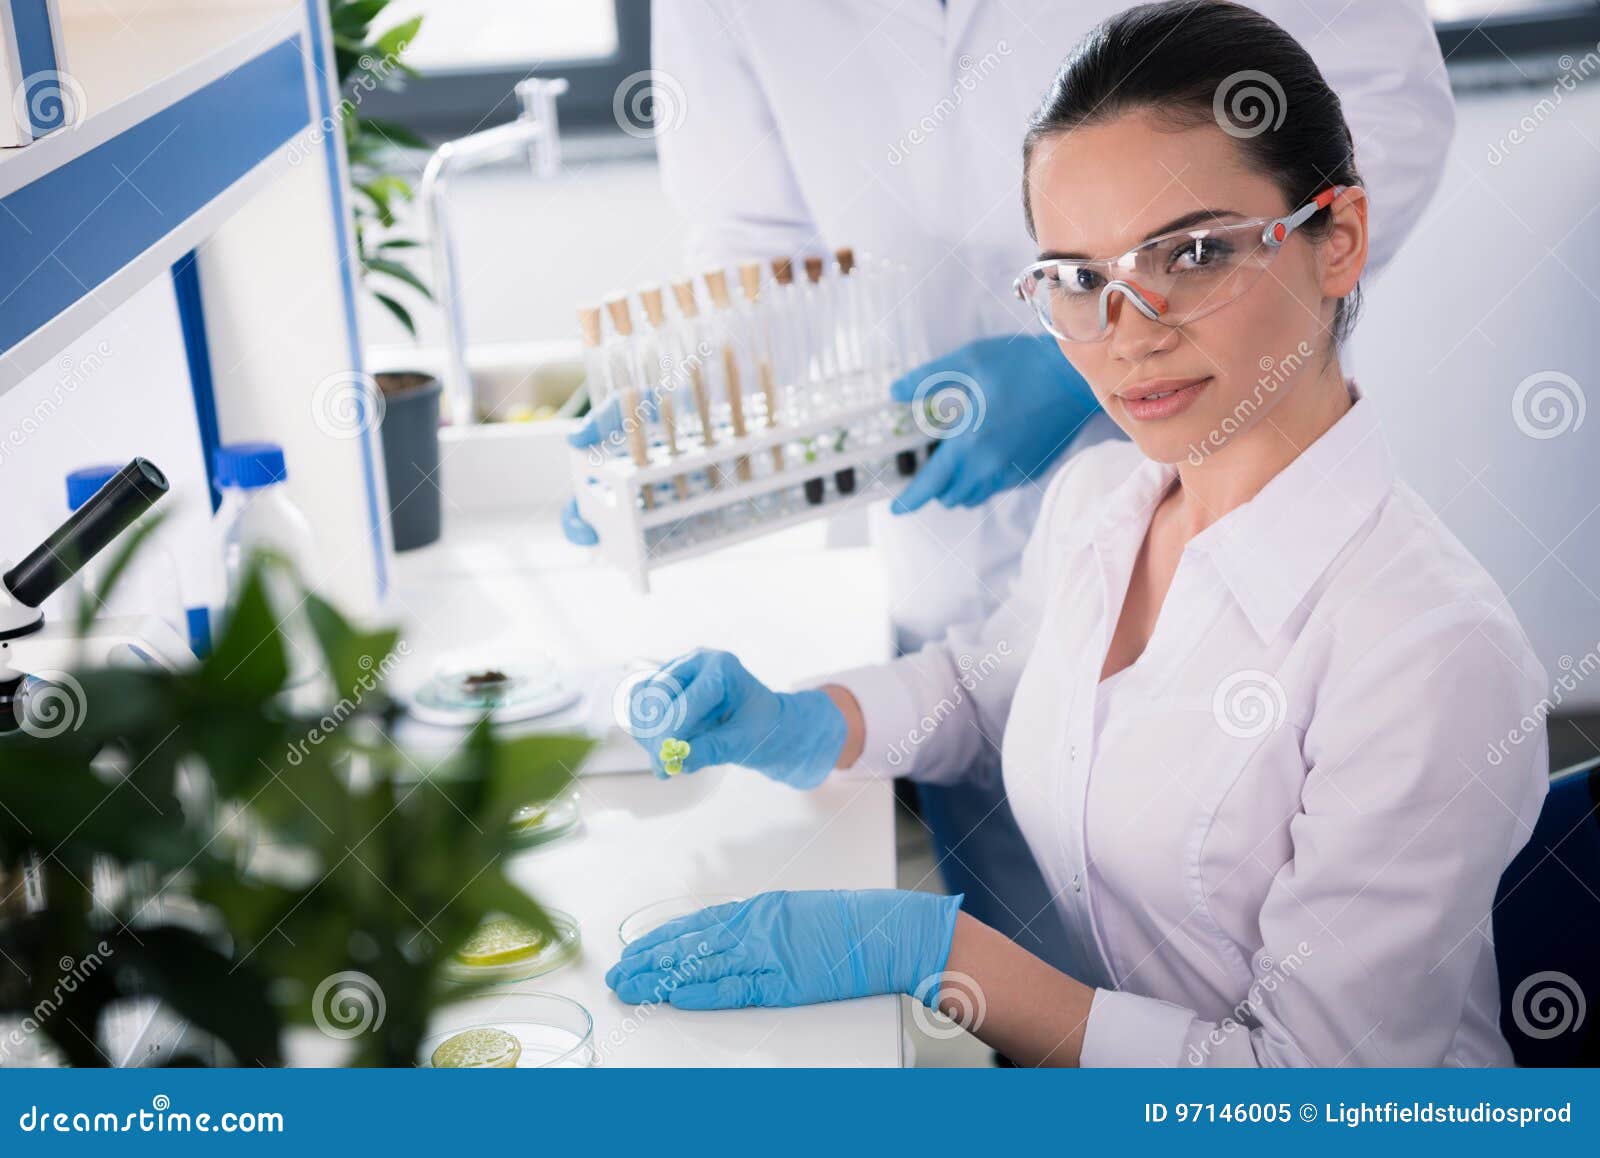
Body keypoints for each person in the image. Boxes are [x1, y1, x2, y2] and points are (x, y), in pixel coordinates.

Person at [605, 1, 1550, 1067]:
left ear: (1339, 240)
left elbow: (1308, 1100)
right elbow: (984, 692)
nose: (1127, 336)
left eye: (1194, 253)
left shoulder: (1426, 653)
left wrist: (936, 954)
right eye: (1078, 280)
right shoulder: (1102, 499)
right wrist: (795, 720)